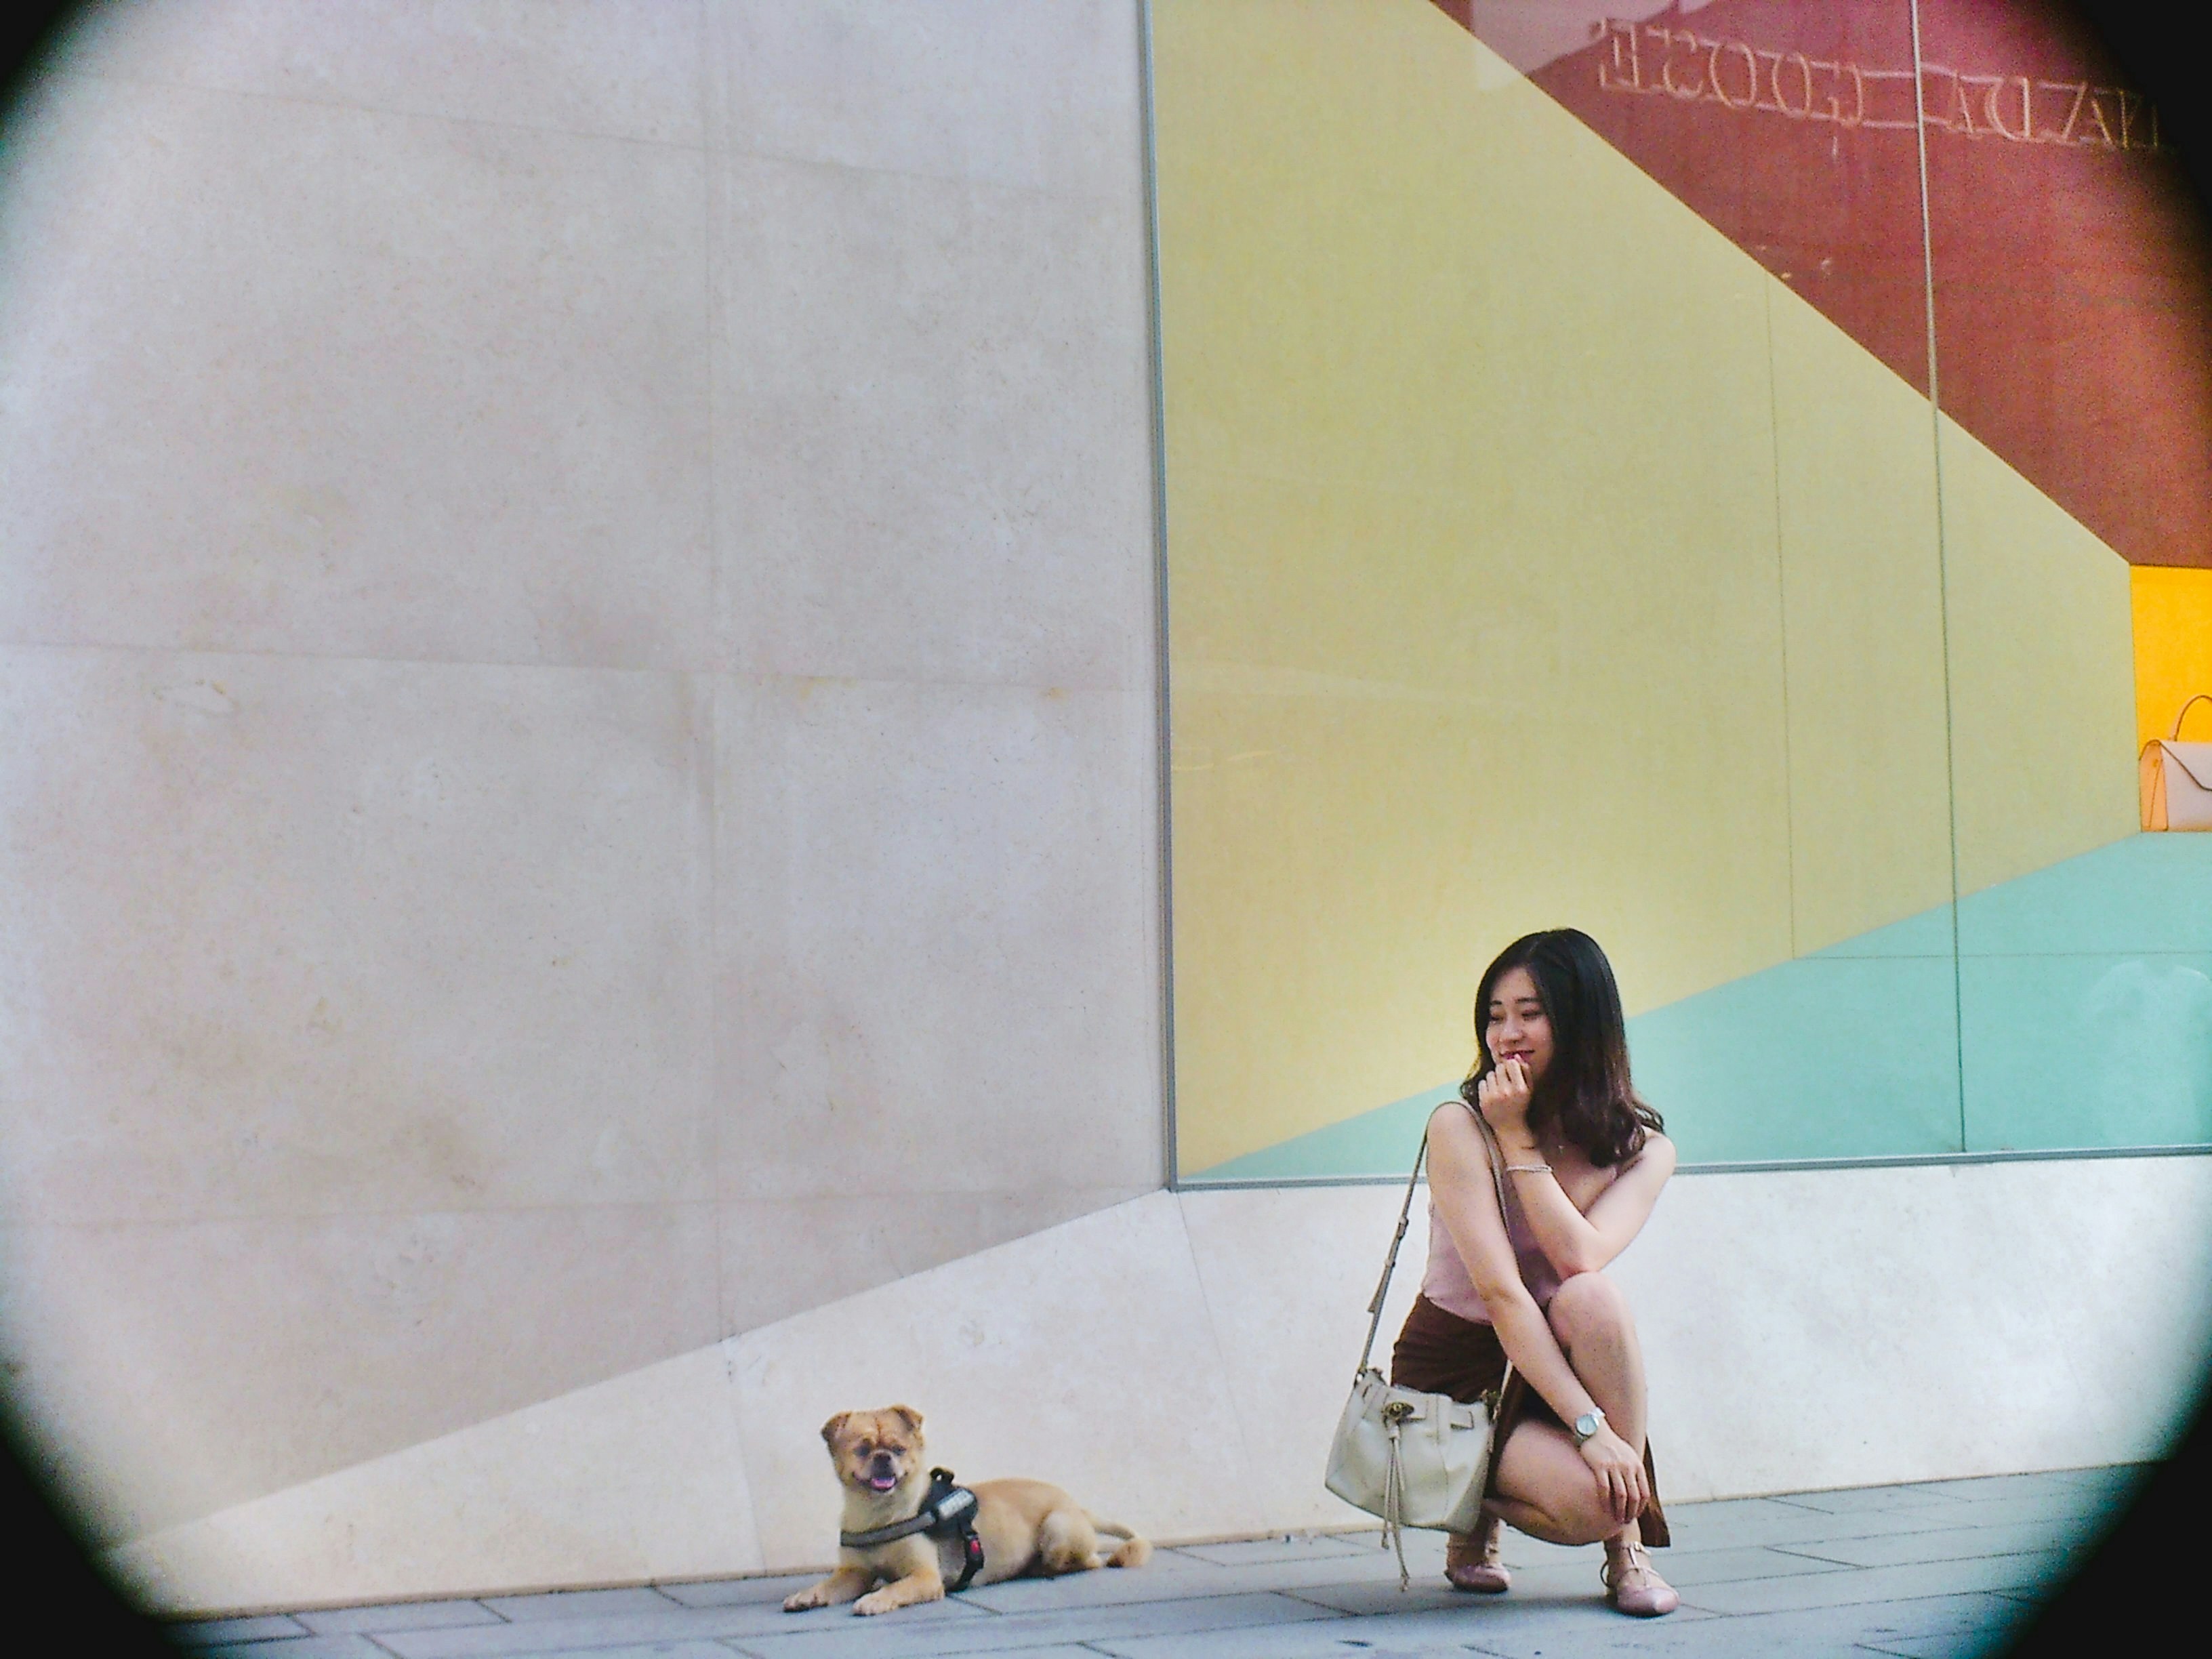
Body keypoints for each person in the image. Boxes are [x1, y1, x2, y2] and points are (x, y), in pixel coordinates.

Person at [1389, 928, 1680, 1617]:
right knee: (1589, 1504)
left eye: (1530, 1013)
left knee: (1593, 1298)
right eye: (1495, 1015)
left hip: (1554, 1362)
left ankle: (1626, 1551)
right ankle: (1467, 1505)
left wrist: (1522, 1142)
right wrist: (1589, 1429)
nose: (1506, 1034)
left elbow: (1579, 1257)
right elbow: (1502, 1293)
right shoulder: (1459, 1126)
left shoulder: (1644, 1150)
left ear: (1579, 1020)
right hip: (1460, 1362)